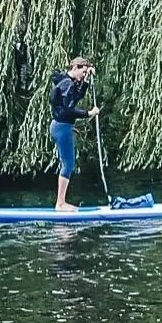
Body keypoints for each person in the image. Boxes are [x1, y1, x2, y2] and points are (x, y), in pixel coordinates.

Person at [49, 56, 100, 211]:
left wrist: (85, 81)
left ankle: (61, 202)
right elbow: (69, 109)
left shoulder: (65, 80)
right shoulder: (67, 84)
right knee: (68, 164)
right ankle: (60, 203)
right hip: (62, 127)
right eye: (82, 72)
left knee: (68, 163)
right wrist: (89, 113)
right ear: (75, 68)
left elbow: (75, 96)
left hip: (60, 126)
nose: (83, 75)